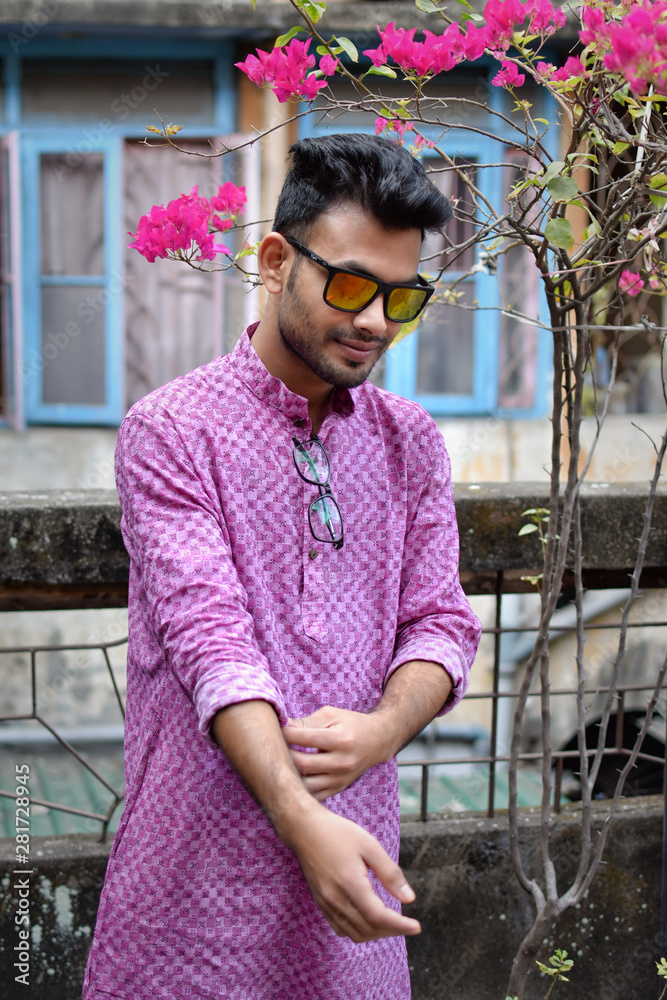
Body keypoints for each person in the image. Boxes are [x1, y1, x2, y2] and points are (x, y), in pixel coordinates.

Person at [83, 133, 481, 1000]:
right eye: (348, 284)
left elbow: (442, 622)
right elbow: (211, 643)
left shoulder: (408, 442)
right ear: (274, 261)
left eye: (400, 298)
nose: (374, 320)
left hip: (354, 878)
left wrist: (379, 732)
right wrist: (300, 816)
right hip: (190, 894)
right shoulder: (172, 431)